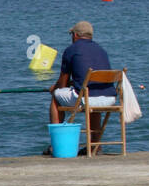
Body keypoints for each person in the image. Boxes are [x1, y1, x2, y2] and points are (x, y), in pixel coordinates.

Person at [49, 20, 116, 152]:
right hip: (109, 97)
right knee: (93, 100)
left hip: (87, 97)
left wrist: (53, 89)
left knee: (56, 97)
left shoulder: (71, 50)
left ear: (75, 35)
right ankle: (95, 146)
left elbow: (62, 84)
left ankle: (56, 145)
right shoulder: (101, 50)